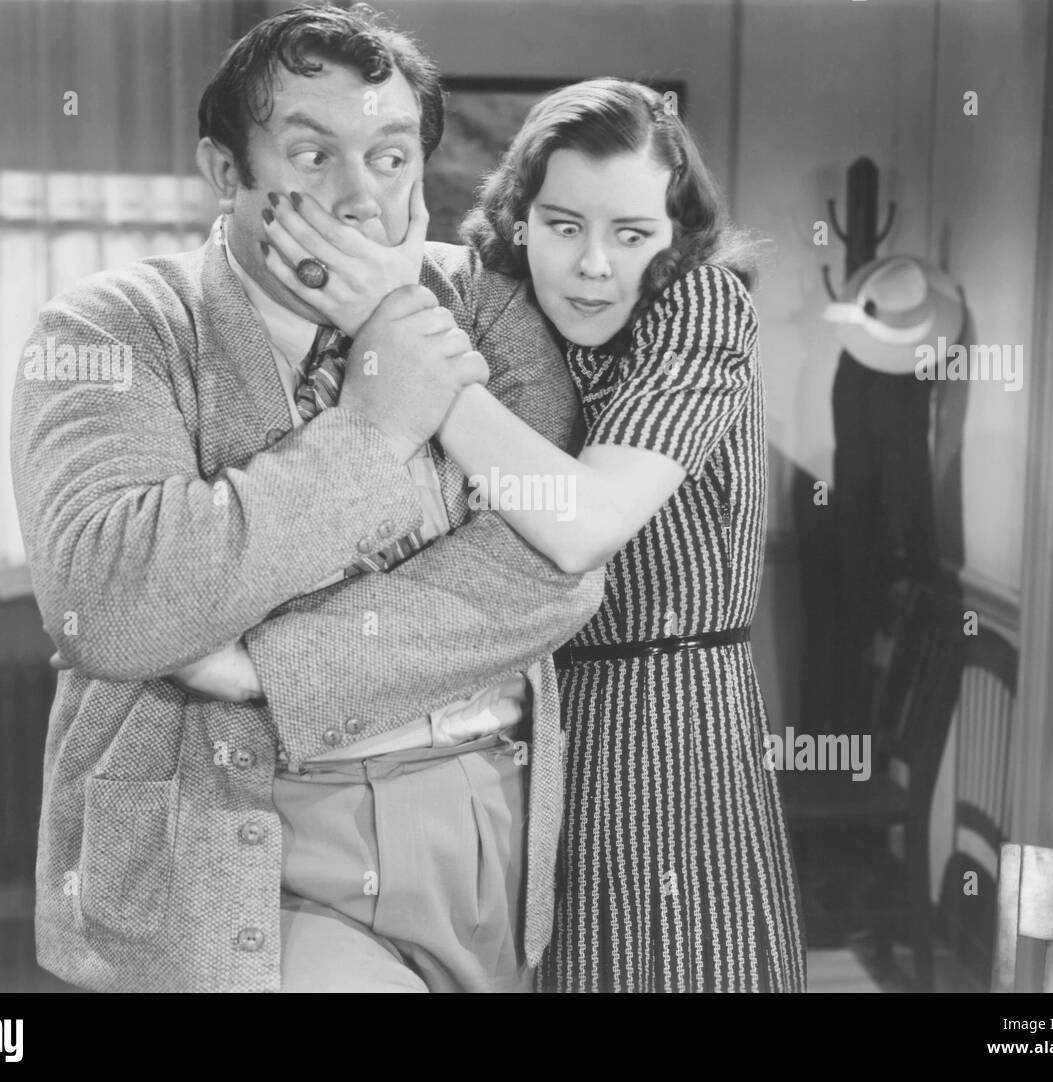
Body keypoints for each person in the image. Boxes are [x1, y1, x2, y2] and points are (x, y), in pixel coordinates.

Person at [10, 2, 603, 993]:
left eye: (390, 156)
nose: (359, 198)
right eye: (312, 153)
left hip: (485, 812)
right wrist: (372, 422)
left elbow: (559, 569)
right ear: (224, 172)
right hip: (239, 828)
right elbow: (109, 603)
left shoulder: (489, 306)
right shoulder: (114, 326)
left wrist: (265, 667)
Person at [267, 76, 807, 991]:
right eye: (564, 226)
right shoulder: (507, 311)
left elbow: (581, 525)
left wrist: (404, 344)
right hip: (544, 729)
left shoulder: (700, 308)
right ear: (520, 223)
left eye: (632, 234)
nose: (595, 265)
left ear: (676, 236)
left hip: (676, 722)